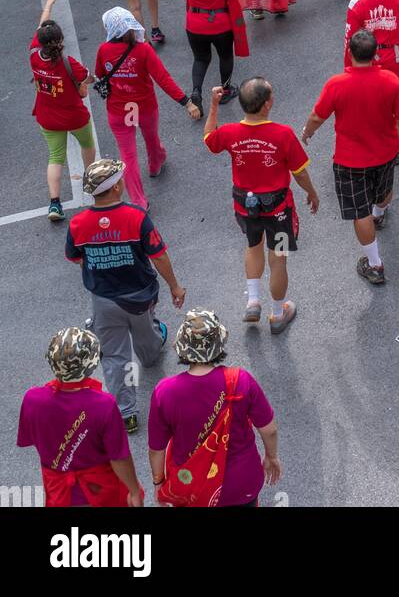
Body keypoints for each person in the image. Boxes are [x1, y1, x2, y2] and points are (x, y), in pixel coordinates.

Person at [66, 158, 185, 434]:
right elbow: (159, 256)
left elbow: (74, 257)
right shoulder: (136, 217)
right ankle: (151, 350)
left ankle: (127, 412)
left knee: (115, 357)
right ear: (118, 186)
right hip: (139, 298)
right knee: (148, 343)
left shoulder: (78, 223)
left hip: (103, 301)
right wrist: (175, 286)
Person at [303, 30, 399, 285]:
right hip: (386, 153)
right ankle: (379, 212)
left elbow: (317, 116)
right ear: (376, 54)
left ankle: (375, 264)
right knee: (384, 191)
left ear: (350, 53)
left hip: (350, 161)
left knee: (360, 212)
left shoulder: (336, 84)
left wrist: (308, 132)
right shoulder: (391, 81)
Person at [204, 78, 319, 331]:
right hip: (277, 210)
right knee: (278, 258)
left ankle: (253, 300)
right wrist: (312, 193)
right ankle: (278, 314)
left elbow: (209, 138)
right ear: (267, 105)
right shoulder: (282, 134)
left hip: (245, 206)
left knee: (253, 246)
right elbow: (299, 173)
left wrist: (214, 104)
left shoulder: (231, 133)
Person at [148, 309, 280, 507]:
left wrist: (159, 482)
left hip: (193, 488)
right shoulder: (240, 380)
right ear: (219, 344)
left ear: (183, 346)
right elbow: (269, 430)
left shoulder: (164, 391)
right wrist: (271, 457)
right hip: (242, 483)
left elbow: (156, 449)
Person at [17, 327, 143, 508]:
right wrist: (134, 491)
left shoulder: (32, 399)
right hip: (100, 491)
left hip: (58, 490)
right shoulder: (104, 404)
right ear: (90, 363)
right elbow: (119, 458)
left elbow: (35, 439)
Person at [95, 7, 200, 209]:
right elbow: (163, 78)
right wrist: (186, 102)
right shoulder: (143, 49)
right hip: (144, 108)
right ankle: (155, 164)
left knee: (128, 156)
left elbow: (100, 74)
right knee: (151, 138)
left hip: (118, 111)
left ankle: (138, 202)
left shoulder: (103, 50)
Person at [31, 0, 96, 223]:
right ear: (60, 41)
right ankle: (92, 183)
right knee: (87, 145)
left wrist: (48, 4)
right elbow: (89, 78)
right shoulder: (69, 63)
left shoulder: (34, 56)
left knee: (55, 157)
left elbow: (41, 29)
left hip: (47, 118)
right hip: (74, 117)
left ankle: (55, 204)